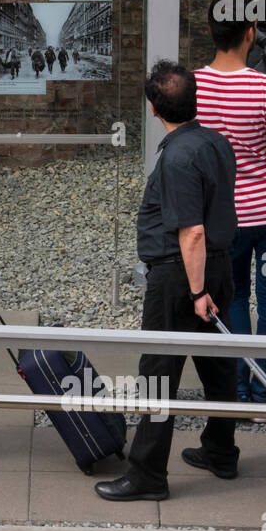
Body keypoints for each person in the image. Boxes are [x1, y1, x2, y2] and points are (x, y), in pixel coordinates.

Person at [95, 61, 239, 502]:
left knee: (158, 373)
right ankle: (220, 450)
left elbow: (190, 230)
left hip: (182, 277)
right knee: (218, 367)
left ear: (154, 109)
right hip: (219, 265)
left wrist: (196, 292)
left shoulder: (177, 156)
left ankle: (147, 477)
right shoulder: (215, 141)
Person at [197, 0, 266, 415]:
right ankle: (265, 395)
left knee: (236, 297)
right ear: (251, 33)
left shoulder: (194, 86)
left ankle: (239, 390)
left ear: (211, 32)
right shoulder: (264, 87)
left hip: (228, 218)